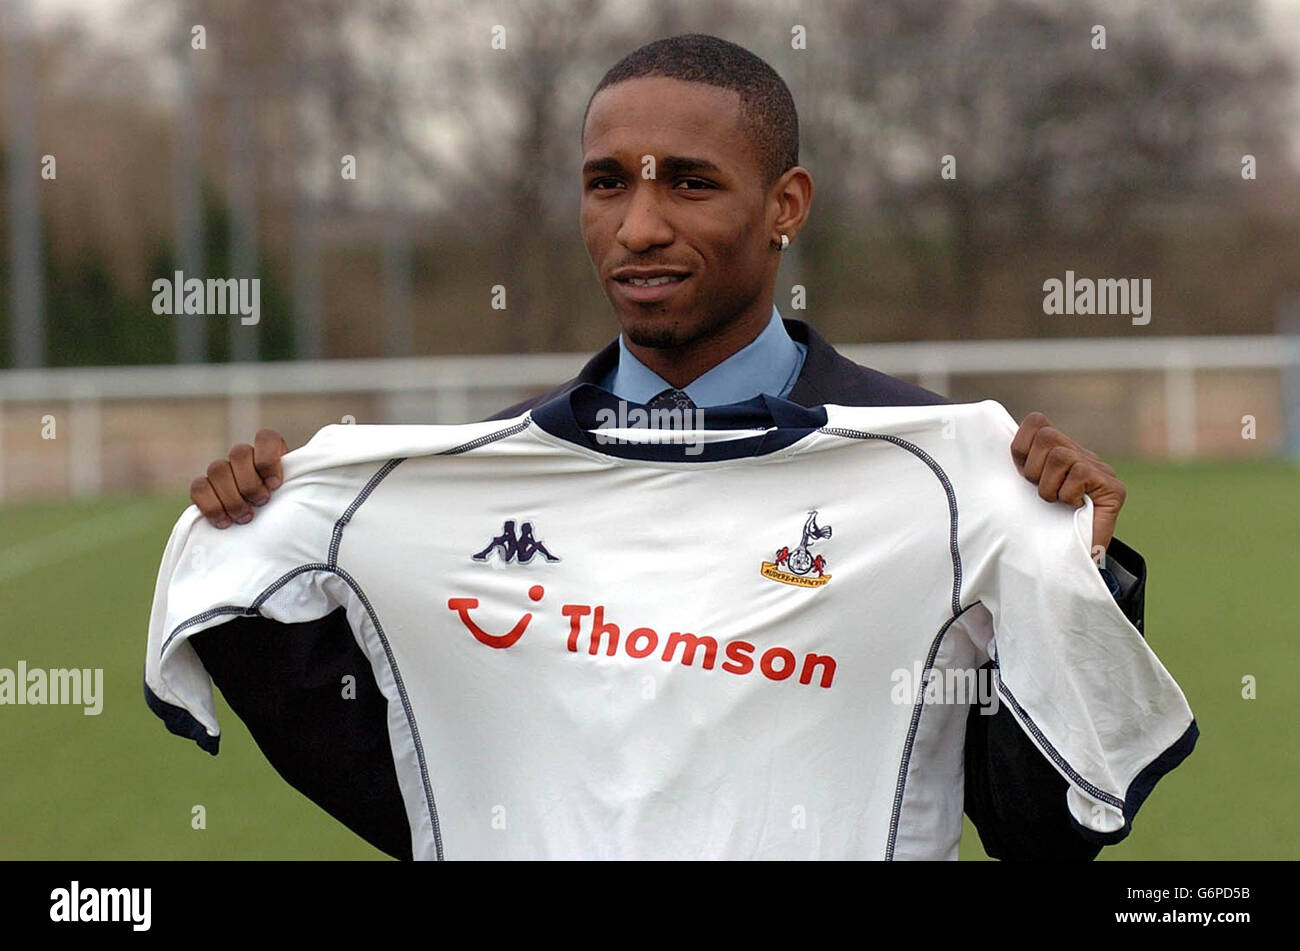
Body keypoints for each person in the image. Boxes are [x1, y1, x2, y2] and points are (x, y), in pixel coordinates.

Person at [181, 35, 1154, 860]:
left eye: (690, 184)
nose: (637, 228)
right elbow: (418, 786)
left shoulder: (942, 481)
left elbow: (1041, 831)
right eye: (606, 185)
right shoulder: (477, 480)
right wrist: (248, 549)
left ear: (786, 205)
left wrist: (1073, 571)